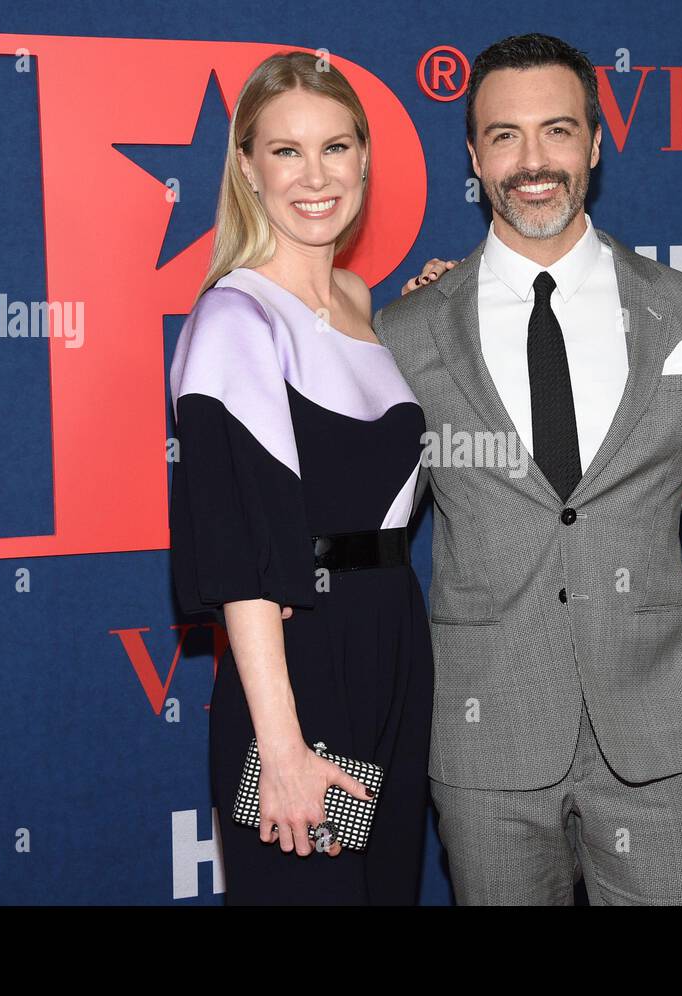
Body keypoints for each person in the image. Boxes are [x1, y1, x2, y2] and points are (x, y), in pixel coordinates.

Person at [376, 33, 682, 905]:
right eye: (505, 136)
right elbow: (364, 539)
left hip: (665, 743)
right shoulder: (408, 332)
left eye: (558, 131)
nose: (534, 162)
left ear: (596, 145)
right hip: (483, 746)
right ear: (474, 155)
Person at [168, 51, 432, 905]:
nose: (316, 177)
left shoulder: (361, 300)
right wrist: (281, 748)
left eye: (337, 147)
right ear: (246, 167)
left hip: (395, 642)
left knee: (383, 890)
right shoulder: (233, 317)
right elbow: (239, 553)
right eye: (286, 151)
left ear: (364, 157)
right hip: (300, 659)